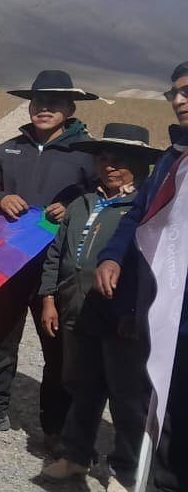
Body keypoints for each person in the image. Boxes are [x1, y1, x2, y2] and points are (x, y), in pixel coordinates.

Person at [0, 69, 96, 440]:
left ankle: (57, 427)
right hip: (10, 264)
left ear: (69, 107)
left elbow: (101, 201)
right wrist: (0, 198)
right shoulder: (6, 152)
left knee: (59, 348)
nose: (44, 108)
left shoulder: (86, 155)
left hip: (59, 268)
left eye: (53, 102)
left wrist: (74, 206)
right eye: (38, 102)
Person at [36, 124, 159, 490]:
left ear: (140, 166)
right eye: (103, 158)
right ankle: (75, 456)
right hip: (80, 313)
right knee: (83, 388)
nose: (109, 166)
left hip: (123, 319)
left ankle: (125, 469)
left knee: (126, 397)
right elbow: (57, 255)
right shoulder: (82, 203)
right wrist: (48, 299)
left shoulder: (146, 210)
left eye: (120, 160)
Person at [93, 61, 188, 491]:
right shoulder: (173, 159)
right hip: (166, 302)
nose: (179, 101)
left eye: (187, 92)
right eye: (174, 94)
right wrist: (112, 256)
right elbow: (139, 215)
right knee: (162, 398)